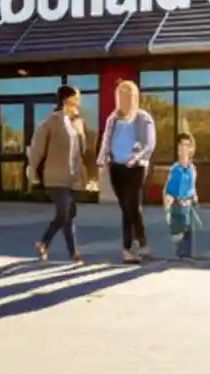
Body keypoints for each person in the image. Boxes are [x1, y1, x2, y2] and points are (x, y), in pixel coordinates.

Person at [97, 79, 156, 264]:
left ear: (135, 97)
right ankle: (130, 249)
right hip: (116, 167)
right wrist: (102, 157)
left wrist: (136, 158)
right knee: (125, 207)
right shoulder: (112, 119)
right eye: (121, 95)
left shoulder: (143, 117)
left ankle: (137, 243)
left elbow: (149, 143)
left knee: (133, 206)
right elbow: (106, 140)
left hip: (135, 167)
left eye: (129, 95)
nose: (125, 99)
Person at [28, 84, 88, 265]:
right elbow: (36, 149)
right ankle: (44, 243)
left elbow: (82, 150)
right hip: (55, 176)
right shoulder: (51, 121)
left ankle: (73, 253)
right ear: (66, 100)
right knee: (63, 214)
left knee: (69, 215)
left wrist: (80, 127)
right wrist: (33, 173)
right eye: (76, 98)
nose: (79, 101)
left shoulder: (73, 122)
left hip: (70, 177)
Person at [163, 132, 199, 260]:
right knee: (178, 228)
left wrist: (194, 195)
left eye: (187, 145)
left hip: (188, 203)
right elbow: (170, 187)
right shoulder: (175, 169)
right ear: (178, 149)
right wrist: (169, 200)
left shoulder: (192, 169)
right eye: (181, 145)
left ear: (191, 149)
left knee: (188, 228)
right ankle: (180, 251)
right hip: (177, 203)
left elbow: (192, 184)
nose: (184, 148)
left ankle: (186, 253)